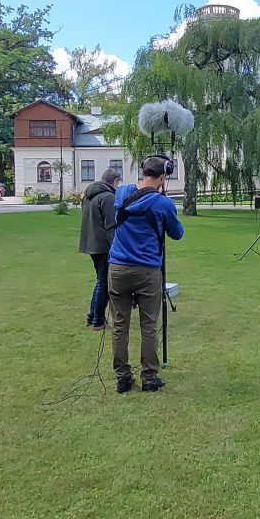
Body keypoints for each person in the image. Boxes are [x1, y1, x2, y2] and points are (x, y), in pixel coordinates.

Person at [107, 156, 184, 393]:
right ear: (163, 177)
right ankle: (149, 377)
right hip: (147, 270)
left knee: (119, 325)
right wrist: (165, 202)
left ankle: (123, 378)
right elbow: (177, 233)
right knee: (149, 325)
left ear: (143, 172)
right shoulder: (163, 204)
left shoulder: (122, 192)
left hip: (118, 267)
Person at [79, 168, 121, 330]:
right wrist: (116, 248)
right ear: (114, 181)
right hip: (103, 246)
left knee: (101, 281)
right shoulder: (108, 197)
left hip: (90, 243)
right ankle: (98, 320)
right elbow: (111, 226)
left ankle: (92, 316)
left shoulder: (89, 195)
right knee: (104, 283)